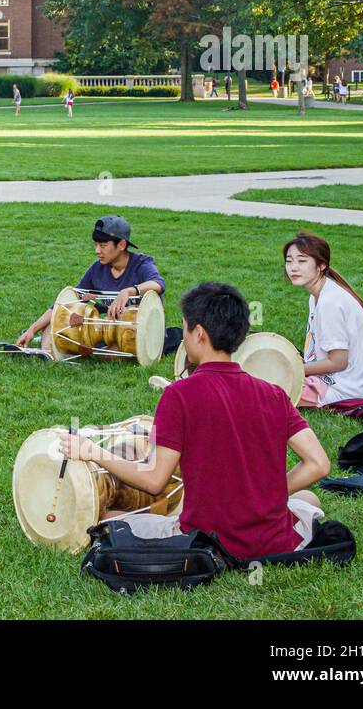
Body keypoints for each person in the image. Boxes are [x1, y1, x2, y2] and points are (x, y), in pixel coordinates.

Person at [57, 282, 330, 559]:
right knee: (308, 500)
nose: (184, 337)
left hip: (208, 540)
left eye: (185, 328)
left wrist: (92, 451)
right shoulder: (274, 394)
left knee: (106, 519)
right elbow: (319, 464)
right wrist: (266, 499)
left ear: (199, 333)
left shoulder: (179, 395)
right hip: (275, 539)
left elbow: (154, 480)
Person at [17, 216, 167, 354]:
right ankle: (46, 352)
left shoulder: (142, 264)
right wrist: (32, 329)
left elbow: (158, 283)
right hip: (110, 330)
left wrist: (128, 291)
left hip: (144, 334)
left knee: (111, 351)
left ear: (121, 244)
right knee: (59, 321)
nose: (97, 251)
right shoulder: (97, 269)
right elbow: (68, 302)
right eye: (96, 245)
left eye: (103, 245)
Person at [284, 231, 363, 407]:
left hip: (347, 390)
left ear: (321, 265)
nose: (293, 267)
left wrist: (293, 370)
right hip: (343, 382)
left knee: (266, 389)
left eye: (302, 261)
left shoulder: (330, 302)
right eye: (289, 261)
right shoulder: (320, 295)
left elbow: (338, 362)